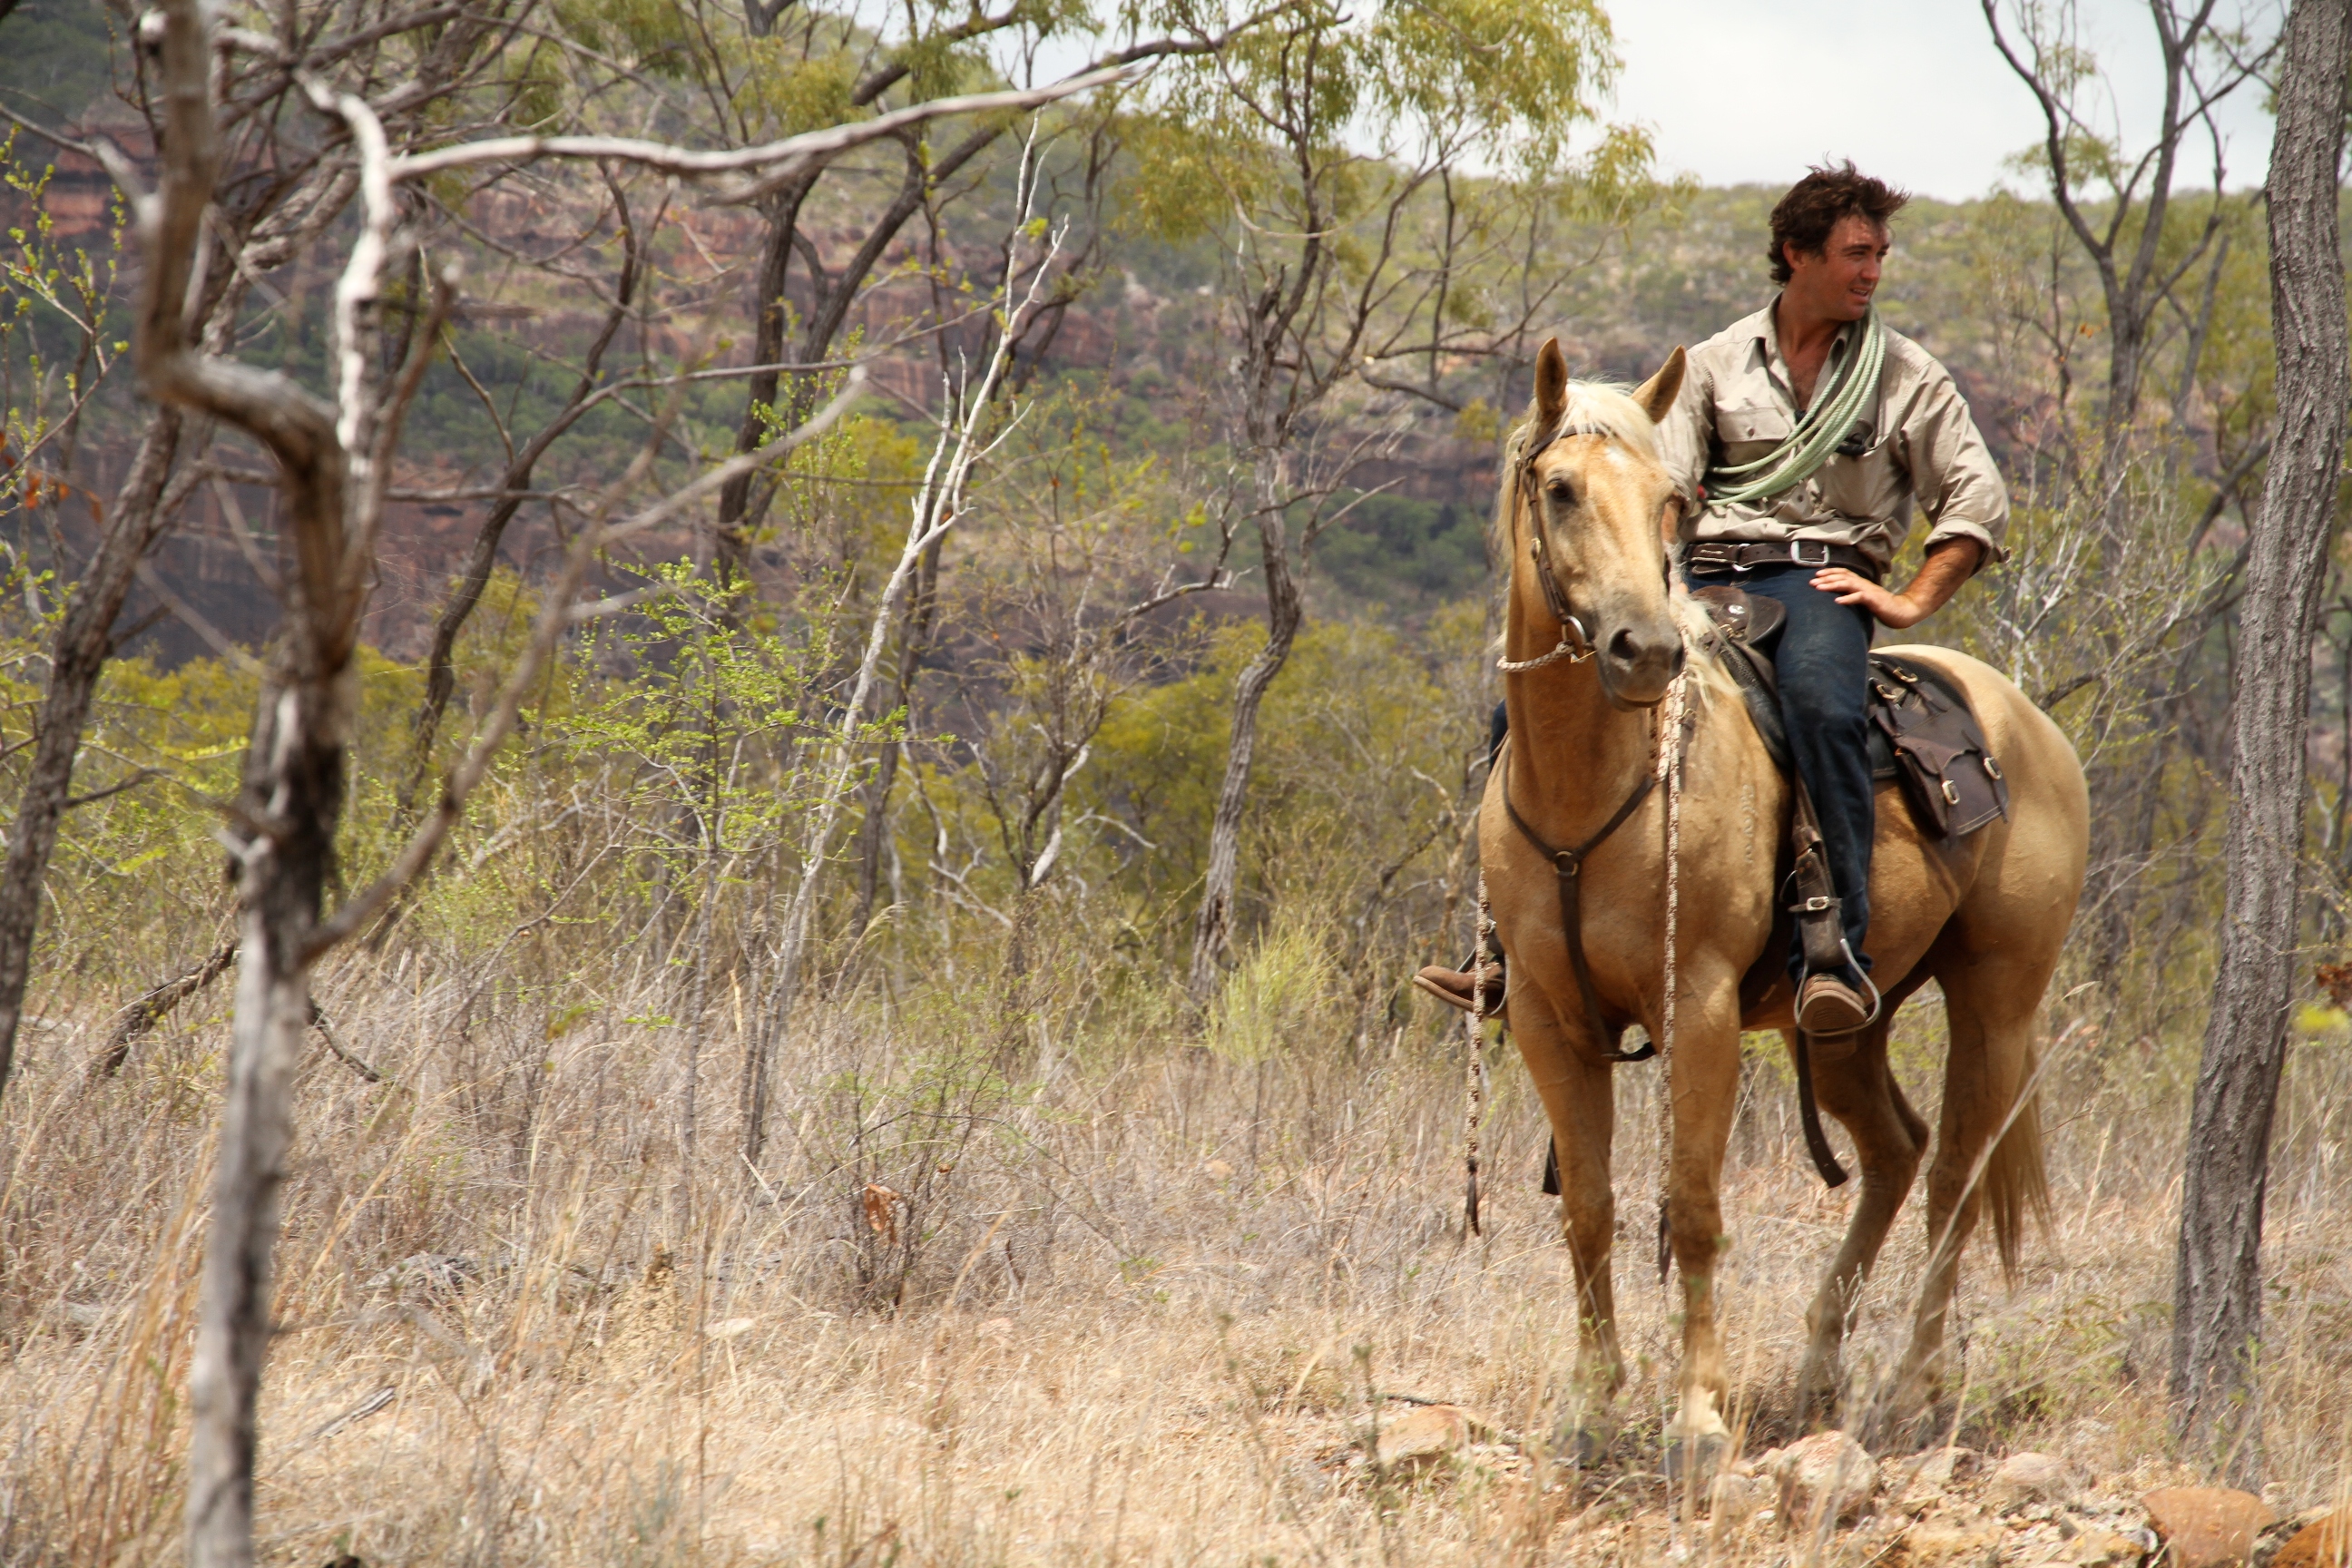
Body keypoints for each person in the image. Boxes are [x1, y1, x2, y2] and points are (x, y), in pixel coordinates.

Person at [1417, 162, 2009, 1035]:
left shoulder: (1906, 377)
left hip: (1820, 579)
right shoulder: (1715, 364)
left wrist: (1910, 600)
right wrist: (1647, 585)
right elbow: (1662, 488)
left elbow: (1975, 502)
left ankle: (1832, 942)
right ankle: (1503, 945)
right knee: (1524, 710)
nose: (1873, 271)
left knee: (1819, 700)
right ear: (1795, 254)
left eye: (1880, 254)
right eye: (1855, 253)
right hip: (1705, 573)